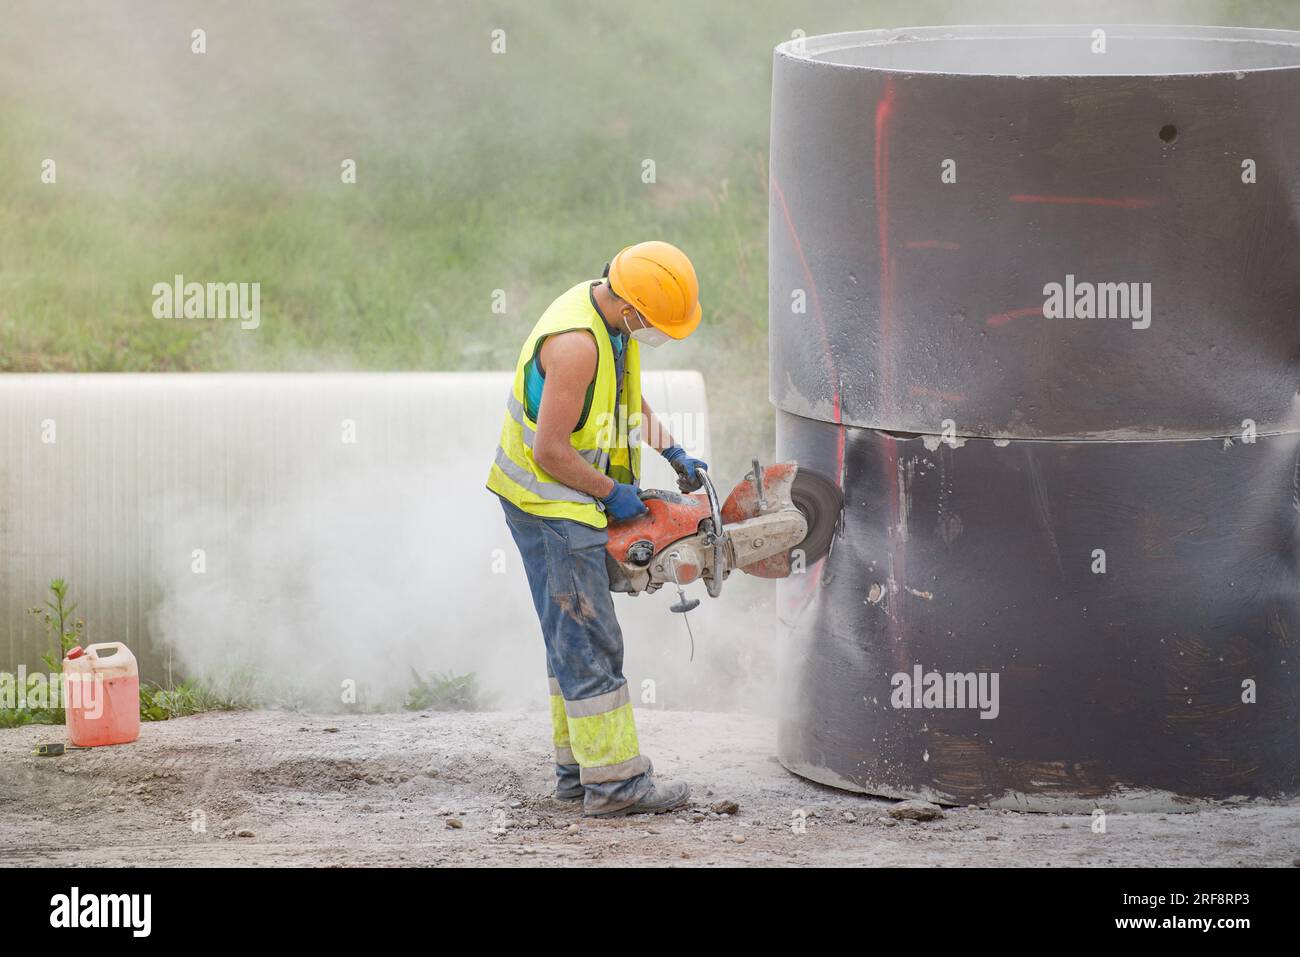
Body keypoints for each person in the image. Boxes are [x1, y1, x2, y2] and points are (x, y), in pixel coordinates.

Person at [486, 240, 708, 816]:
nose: (654, 333)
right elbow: (551, 452)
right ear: (632, 307)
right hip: (549, 505)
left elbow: (626, 402)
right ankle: (616, 788)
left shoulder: (610, 326)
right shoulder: (577, 346)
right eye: (654, 323)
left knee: (572, 639)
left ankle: (577, 777)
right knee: (590, 639)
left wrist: (672, 450)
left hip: (569, 502)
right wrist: (614, 494)